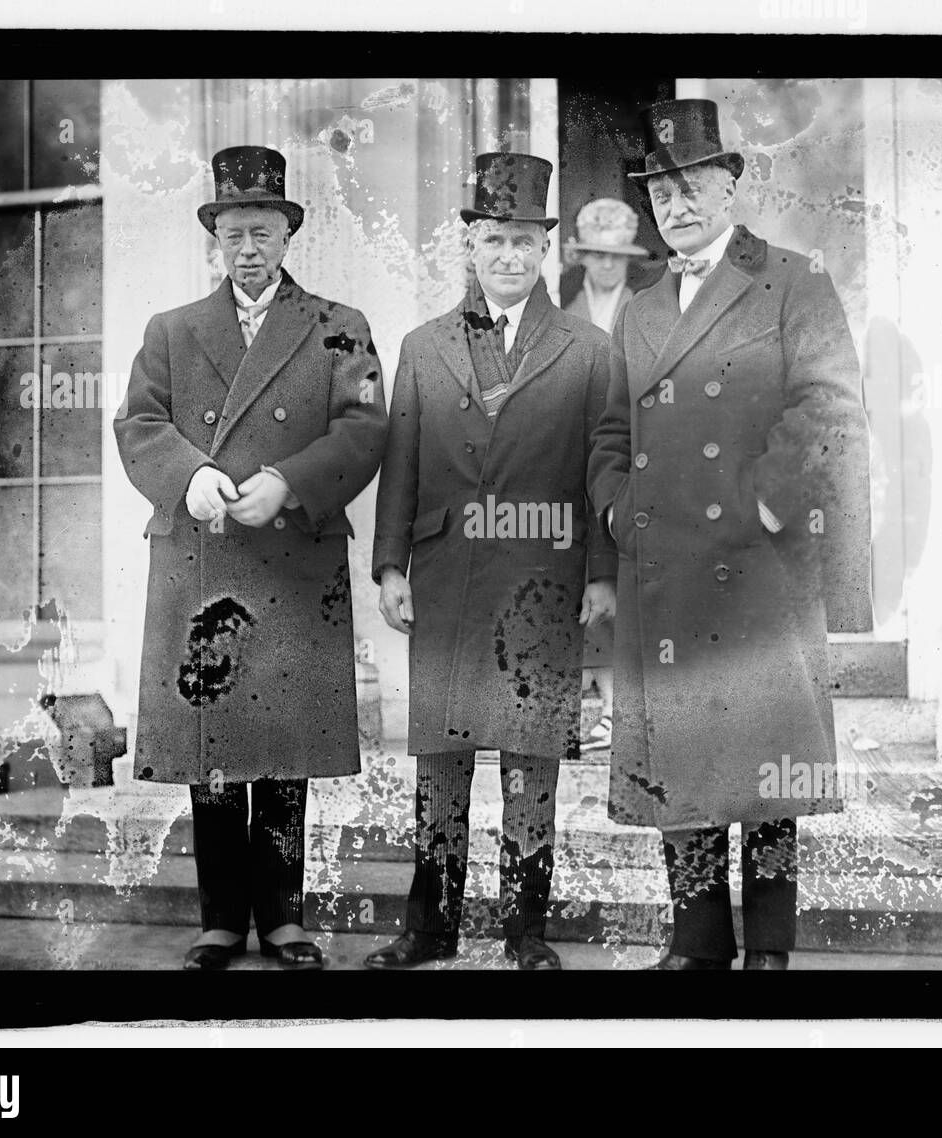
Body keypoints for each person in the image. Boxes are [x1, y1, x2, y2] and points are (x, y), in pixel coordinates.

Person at [588, 100, 873, 970]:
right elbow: (607, 434)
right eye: (659, 191)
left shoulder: (791, 281)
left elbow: (830, 411)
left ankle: (773, 953)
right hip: (661, 569)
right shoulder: (637, 312)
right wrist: (613, 508)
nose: (675, 205)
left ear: (729, 186)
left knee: (768, 768)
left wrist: (758, 509)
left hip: (759, 567)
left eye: (691, 186)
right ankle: (697, 941)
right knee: (682, 756)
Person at [114, 145, 388, 971]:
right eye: (232, 233)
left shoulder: (341, 326)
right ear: (214, 239)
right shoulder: (171, 331)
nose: (247, 248)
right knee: (214, 745)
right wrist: (189, 474)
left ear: (287, 235)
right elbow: (138, 425)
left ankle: (285, 920)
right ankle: (220, 922)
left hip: (292, 555)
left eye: (262, 231)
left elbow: (366, 427)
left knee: (284, 745)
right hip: (203, 555)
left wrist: (290, 481)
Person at [366, 152, 615, 971]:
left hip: (542, 580)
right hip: (443, 579)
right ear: (468, 243)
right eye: (494, 239)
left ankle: (524, 931)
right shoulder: (422, 345)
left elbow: (603, 464)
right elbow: (401, 459)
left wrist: (603, 577)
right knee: (439, 761)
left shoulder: (586, 348)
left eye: (524, 242)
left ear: (544, 251)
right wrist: (391, 565)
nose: (509, 257)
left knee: (529, 762)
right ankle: (428, 928)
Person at [561, 198, 654, 752]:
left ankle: (622, 710)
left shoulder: (646, 309)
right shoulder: (562, 310)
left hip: (627, 455)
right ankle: (579, 707)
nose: (605, 265)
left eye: (615, 255)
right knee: (577, 574)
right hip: (572, 457)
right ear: (582, 257)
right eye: (596, 254)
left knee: (622, 574)